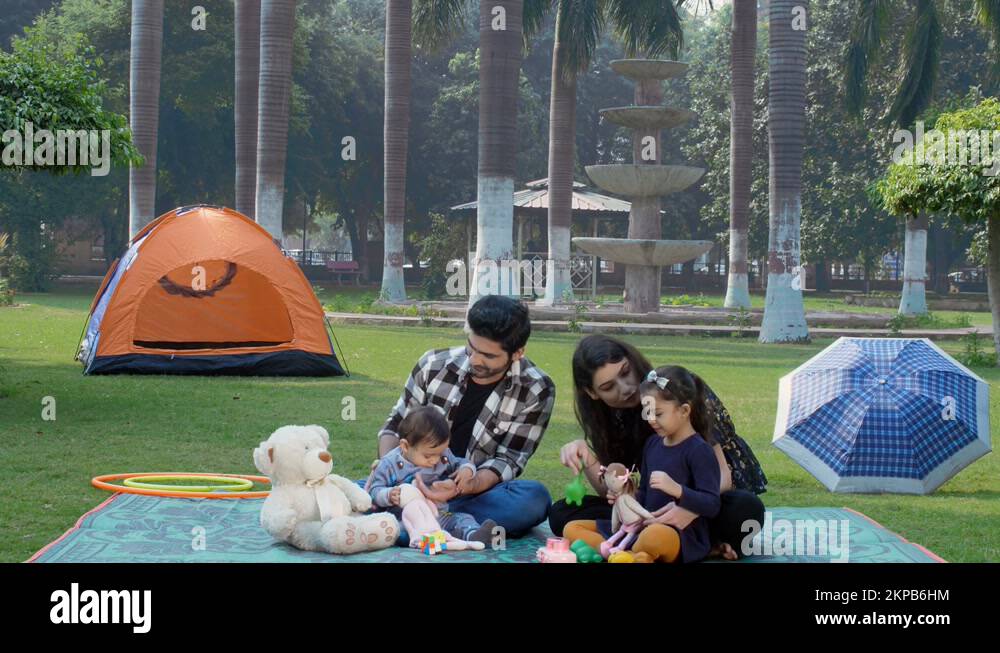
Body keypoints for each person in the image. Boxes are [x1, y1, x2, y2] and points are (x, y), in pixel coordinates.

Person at [549, 335, 767, 559]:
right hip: (652, 507)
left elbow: (723, 478)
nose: (625, 388)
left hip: (708, 501)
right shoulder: (609, 419)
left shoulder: (676, 389)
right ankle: (638, 545)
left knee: (745, 508)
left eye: (625, 372)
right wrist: (589, 460)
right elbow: (618, 489)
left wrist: (688, 508)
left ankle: (695, 543)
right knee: (561, 513)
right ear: (592, 393)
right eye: (608, 387)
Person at [375, 295, 554, 539]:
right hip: (409, 481)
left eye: (488, 356)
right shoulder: (432, 365)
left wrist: (465, 486)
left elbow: (509, 460)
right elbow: (396, 425)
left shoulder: (536, 389)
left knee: (534, 499)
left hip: (473, 490)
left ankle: (413, 521)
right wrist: (392, 472)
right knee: (357, 488)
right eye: (472, 347)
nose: (474, 360)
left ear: (517, 353)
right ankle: (437, 520)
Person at [565, 366, 721, 562]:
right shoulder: (652, 444)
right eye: (647, 412)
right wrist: (627, 495)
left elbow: (712, 504)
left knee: (655, 537)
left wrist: (678, 490)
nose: (651, 420)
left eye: (658, 413)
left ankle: (628, 553)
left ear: (684, 410)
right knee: (572, 528)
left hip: (677, 533)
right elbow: (646, 494)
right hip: (639, 526)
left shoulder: (699, 450)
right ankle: (621, 554)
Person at [368, 406, 497, 545]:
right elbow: (374, 491)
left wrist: (467, 469)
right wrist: (388, 495)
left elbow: (460, 463)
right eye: (428, 455)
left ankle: (475, 535)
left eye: (440, 453)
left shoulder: (443, 456)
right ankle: (415, 538)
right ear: (405, 446)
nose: (436, 460)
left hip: (438, 514)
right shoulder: (389, 464)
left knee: (462, 519)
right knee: (395, 530)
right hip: (405, 519)